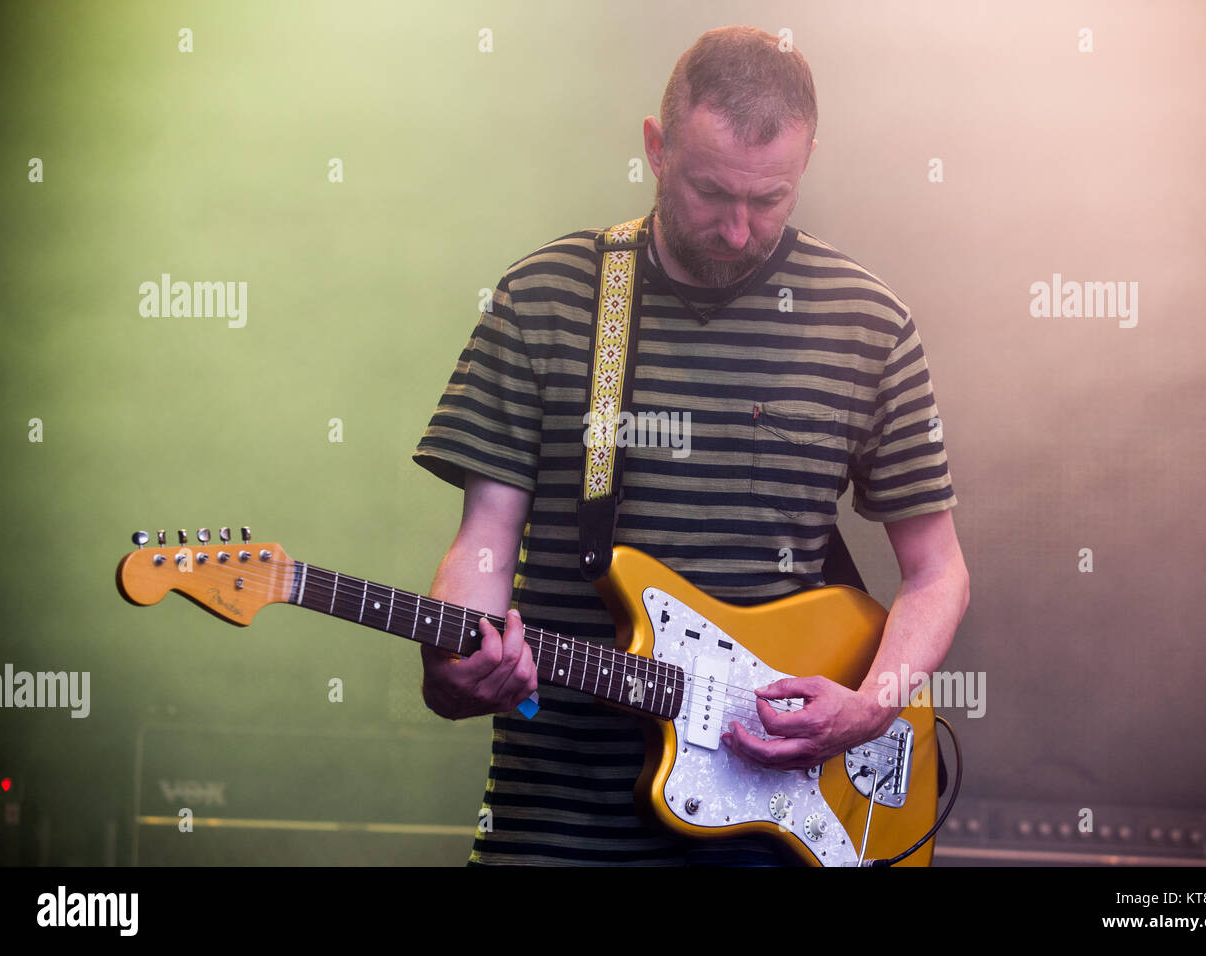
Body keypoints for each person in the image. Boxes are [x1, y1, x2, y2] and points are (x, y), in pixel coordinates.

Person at [412, 25, 970, 865]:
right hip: (560, 813)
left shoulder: (866, 321)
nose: (740, 230)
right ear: (655, 147)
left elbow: (938, 572)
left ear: (807, 161)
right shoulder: (546, 299)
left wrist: (872, 706)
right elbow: (485, 540)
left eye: (770, 199)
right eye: (712, 192)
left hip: (774, 823)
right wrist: (458, 652)